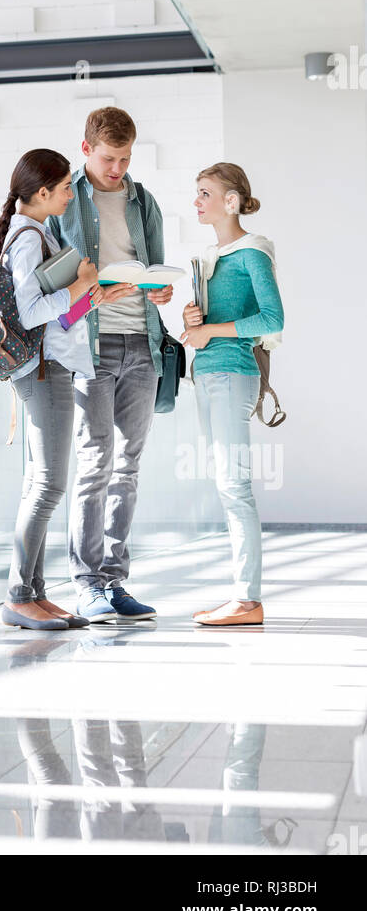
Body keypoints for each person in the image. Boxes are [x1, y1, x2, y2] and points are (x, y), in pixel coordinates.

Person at [47, 107, 173, 624]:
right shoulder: (61, 202)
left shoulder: (144, 202)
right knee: (95, 464)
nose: (117, 168)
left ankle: (116, 580)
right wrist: (92, 292)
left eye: (124, 159)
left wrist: (161, 291)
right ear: (85, 150)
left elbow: (157, 268)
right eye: (108, 158)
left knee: (128, 466)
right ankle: (87, 583)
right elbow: (53, 289)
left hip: (142, 343)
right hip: (88, 347)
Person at [0, 149, 102, 631]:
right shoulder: (27, 238)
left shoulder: (36, 233)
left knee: (41, 481)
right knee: (48, 485)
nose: (68, 195)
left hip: (48, 366)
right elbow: (30, 312)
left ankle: (34, 593)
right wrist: (81, 285)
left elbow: (57, 319)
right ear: (43, 192)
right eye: (63, 189)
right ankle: (19, 595)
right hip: (43, 372)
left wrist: (91, 296)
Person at [180, 163, 284, 627]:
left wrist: (212, 331)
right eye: (196, 193)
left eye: (205, 193)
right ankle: (242, 597)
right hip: (208, 374)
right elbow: (212, 327)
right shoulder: (212, 256)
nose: (197, 201)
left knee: (234, 488)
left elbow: (273, 320)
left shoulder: (252, 253)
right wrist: (194, 321)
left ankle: (246, 599)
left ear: (231, 200)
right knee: (228, 486)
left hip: (230, 374)